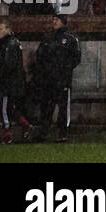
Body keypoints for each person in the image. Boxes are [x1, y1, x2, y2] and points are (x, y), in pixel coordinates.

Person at [33, 13, 81, 142]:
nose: (54, 22)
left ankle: (62, 133)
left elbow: (76, 58)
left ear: (63, 22)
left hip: (63, 80)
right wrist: (45, 70)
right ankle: (43, 132)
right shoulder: (47, 38)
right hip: (48, 80)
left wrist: (63, 70)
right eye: (53, 19)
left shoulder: (71, 38)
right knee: (46, 107)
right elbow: (40, 56)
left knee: (63, 108)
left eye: (57, 20)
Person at [0, 20, 32, 144]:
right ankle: (26, 126)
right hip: (10, 82)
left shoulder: (9, 44)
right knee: (10, 108)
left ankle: (7, 135)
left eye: (1, 28)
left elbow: (8, 65)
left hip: (8, 83)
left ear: (8, 30)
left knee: (4, 108)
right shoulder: (5, 44)